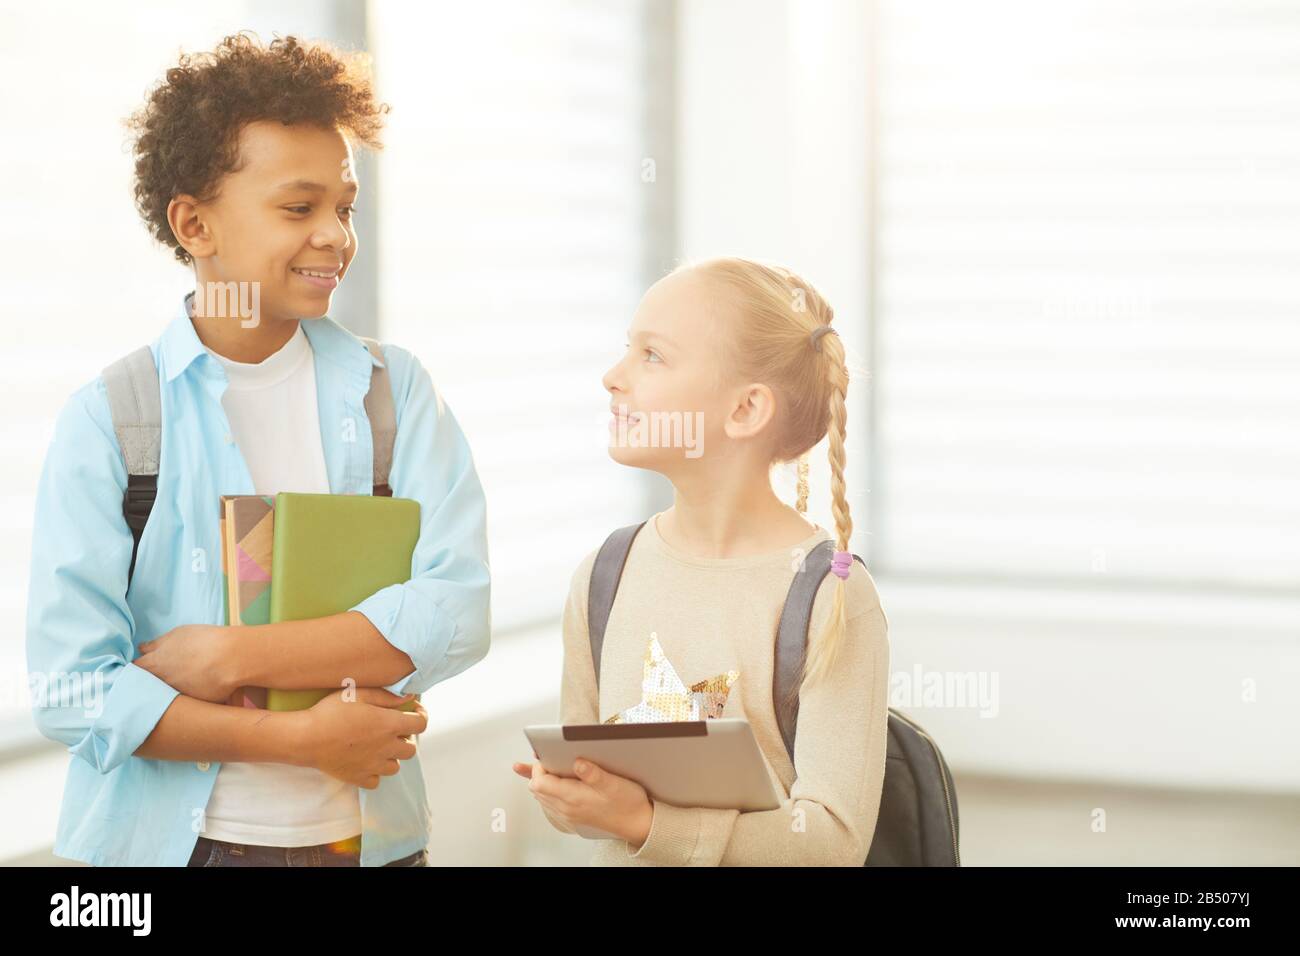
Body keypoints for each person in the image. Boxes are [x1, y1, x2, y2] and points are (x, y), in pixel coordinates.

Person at [25, 33, 490, 867]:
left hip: (370, 844)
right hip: (184, 850)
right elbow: (74, 691)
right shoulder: (113, 419)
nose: (336, 238)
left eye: (344, 208)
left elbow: (454, 611)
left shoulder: (396, 393)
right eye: (298, 208)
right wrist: (300, 737)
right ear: (194, 222)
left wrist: (231, 654)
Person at [513, 256, 890, 865]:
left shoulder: (830, 594)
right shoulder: (605, 574)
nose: (612, 377)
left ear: (745, 410)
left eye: (652, 356)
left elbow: (831, 842)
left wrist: (645, 821)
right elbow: (590, 809)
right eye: (625, 349)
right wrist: (570, 799)